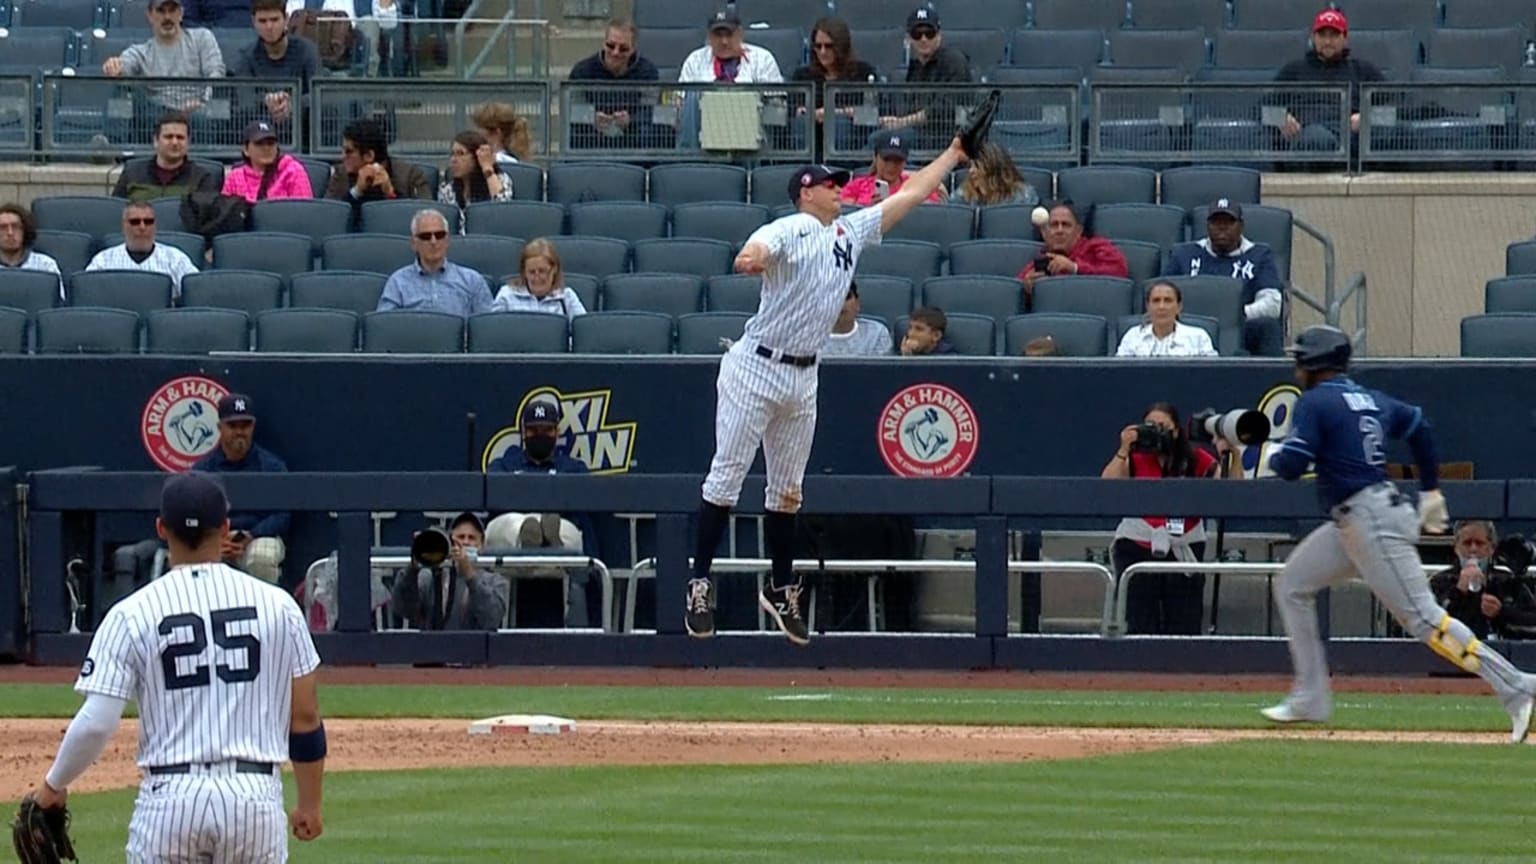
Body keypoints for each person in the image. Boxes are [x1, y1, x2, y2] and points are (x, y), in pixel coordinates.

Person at [685, 134, 970, 646]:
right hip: (755, 366)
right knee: (726, 479)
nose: (838, 188)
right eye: (827, 184)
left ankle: (780, 587)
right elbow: (759, 246)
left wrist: (953, 154)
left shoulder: (848, 231)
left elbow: (909, 195)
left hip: (803, 373)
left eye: (840, 183)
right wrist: (750, 258)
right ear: (805, 192)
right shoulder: (793, 226)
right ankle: (699, 582)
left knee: (787, 492)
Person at [25, 472, 325, 860]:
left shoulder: (132, 613)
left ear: (161, 529)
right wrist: (309, 805)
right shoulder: (279, 606)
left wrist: (54, 785)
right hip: (254, 800)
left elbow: (97, 721)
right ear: (225, 529)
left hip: (170, 801)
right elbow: (305, 717)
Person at [1261, 325, 1536, 740]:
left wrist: (1274, 452)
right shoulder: (1368, 398)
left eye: (1300, 359)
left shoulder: (1315, 401)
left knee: (1425, 619)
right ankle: (1310, 696)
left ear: (1313, 362)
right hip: (1357, 517)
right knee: (1292, 586)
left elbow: (1291, 466)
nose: (1296, 366)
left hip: (1369, 520)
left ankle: (1516, 686)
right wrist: (1430, 491)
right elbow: (1419, 426)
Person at [1101, 402, 1230, 635]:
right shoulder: (1135, 458)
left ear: (1176, 430)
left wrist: (1231, 455)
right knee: (1140, 622)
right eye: (1150, 426)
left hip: (1184, 546)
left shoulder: (1195, 458)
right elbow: (1107, 486)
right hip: (1138, 547)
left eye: (1162, 426)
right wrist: (1124, 449)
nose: (1157, 432)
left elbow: (1232, 490)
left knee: (1184, 623)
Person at [484, 398, 599, 628]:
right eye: (534, 430)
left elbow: (583, 518)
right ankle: (535, 541)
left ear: (557, 432)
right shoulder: (503, 465)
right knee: (515, 524)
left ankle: (548, 544)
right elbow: (494, 505)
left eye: (547, 430)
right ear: (523, 432)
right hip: (513, 533)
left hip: (558, 527)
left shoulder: (573, 468)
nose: (540, 435)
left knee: (562, 527)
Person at [190, 393, 291, 585]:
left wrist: (251, 535)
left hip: (258, 537)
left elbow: (282, 515)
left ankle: (264, 605)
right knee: (194, 556)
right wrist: (214, 540)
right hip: (216, 538)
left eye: (245, 425)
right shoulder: (203, 469)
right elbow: (193, 516)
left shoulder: (271, 466)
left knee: (262, 556)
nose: (239, 432)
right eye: (232, 425)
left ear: (253, 426)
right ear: (220, 427)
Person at [1164, 199, 1285, 356]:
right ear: (1207, 226)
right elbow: (1160, 292)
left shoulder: (1259, 255)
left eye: (1229, 222)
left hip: (1241, 327)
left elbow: (1272, 304)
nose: (1222, 227)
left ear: (1241, 226)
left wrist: (1237, 314)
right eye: (1216, 222)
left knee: (1268, 326)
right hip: (1188, 325)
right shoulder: (1184, 254)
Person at [1273, 8, 1383, 154]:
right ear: (1313, 38)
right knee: (1317, 138)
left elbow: (1398, 107)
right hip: (1308, 139)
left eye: (1334, 35)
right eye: (1322, 35)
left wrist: (1368, 117)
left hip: (1351, 140)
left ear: (1345, 38)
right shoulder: (1293, 70)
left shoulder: (1363, 70)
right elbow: (1261, 110)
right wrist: (1281, 118)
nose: (1327, 41)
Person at [101, 0, 225, 117]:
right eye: (161, 11)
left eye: (172, 10)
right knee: (120, 92)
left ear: (181, 14)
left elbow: (216, 72)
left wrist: (204, 101)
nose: (167, 17)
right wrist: (115, 67)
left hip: (198, 114)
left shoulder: (202, 38)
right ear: (150, 15)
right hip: (157, 117)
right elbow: (125, 65)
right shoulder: (140, 52)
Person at [389, 513, 509, 630]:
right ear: (451, 543)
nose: (466, 542)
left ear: (482, 545)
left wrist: (469, 574)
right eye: (461, 537)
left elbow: (492, 619)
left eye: (471, 538)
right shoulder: (429, 577)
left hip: (476, 643)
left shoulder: (496, 581)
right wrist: (412, 568)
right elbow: (403, 609)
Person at [880, 7, 971, 149]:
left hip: (947, 138)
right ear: (908, 38)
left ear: (939, 35)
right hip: (918, 134)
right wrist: (893, 121)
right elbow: (909, 109)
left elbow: (944, 109)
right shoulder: (916, 68)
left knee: (882, 140)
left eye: (929, 33)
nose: (923, 39)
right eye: (917, 34)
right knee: (880, 139)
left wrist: (902, 122)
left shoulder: (954, 60)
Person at [1429, 521, 1536, 642]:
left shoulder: (1507, 582)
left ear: (1491, 548)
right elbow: (1428, 623)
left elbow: (1532, 623)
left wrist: (1501, 613)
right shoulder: (1441, 581)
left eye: (1479, 543)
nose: (1473, 549)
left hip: (1498, 650)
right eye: (1467, 543)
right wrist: (1458, 593)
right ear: (1456, 548)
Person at [566, 19, 662, 150]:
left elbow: (650, 110)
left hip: (633, 140)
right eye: (610, 45)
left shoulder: (647, 71)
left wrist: (630, 120)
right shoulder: (582, 71)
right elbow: (572, 108)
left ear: (633, 49)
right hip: (591, 139)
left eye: (623, 49)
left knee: (651, 130)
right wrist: (591, 118)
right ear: (603, 43)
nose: (615, 53)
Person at [378, 209, 494, 317]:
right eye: (425, 236)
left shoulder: (472, 281)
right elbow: (385, 324)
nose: (433, 242)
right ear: (414, 244)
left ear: (447, 240)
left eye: (439, 235)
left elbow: (486, 325)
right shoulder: (397, 282)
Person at [791, 17, 878, 161]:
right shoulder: (802, 75)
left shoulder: (863, 73)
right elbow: (792, 111)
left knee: (839, 122)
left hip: (851, 142)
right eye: (818, 46)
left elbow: (875, 113)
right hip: (813, 141)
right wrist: (810, 113)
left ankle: (839, 166)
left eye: (829, 46)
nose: (823, 52)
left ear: (841, 46)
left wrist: (836, 113)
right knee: (803, 122)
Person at [324, 117, 431, 229]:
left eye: (349, 152)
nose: (342, 157)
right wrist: (355, 192)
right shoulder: (340, 174)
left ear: (369, 155)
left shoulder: (411, 176)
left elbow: (427, 218)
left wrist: (391, 194)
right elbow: (328, 217)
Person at [1015, 201, 1129, 304]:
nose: (1059, 231)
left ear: (1078, 231)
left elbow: (1119, 271)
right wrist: (1026, 289)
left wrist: (1074, 268)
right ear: (1044, 233)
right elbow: (1016, 290)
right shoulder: (1039, 261)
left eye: (1066, 225)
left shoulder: (1095, 247)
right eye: (1054, 225)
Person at [230, 0, 320, 129]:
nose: (269, 27)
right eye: (262, 21)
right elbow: (244, 99)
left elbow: (319, 94)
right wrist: (266, 100)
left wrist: (293, 103)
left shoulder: (307, 50)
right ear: (253, 21)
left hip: (303, 129)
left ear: (286, 19)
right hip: (260, 131)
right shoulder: (246, 56)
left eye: (274, 20)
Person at [85, 201, 200, 299]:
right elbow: (87, 294)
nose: (142, 227)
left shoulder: (175, 258)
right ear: (124, 226)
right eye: (135, 222)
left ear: (155, 226)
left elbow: (196, 292)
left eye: (148, 222)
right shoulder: (103, 261)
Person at [112, 111, 220, 203]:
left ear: (188, 142)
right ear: (156, 141)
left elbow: (206, 217)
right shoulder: (132, 172)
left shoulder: (202, 178)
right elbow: (115, 210)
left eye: (180, 137)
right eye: (168, 137)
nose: (174, 142)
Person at [490, 238, 587, 320]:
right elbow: (493, 330)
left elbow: (582, 331)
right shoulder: (507, 295)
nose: (537, 277)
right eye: (532, 272)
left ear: (554, 269)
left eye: (542, 271)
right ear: (524, 272)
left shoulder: (567, 298)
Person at [841, 131, 946, 207]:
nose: (891, 166)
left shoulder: (916, 185)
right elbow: (844, 215)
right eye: (886, 160)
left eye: (897, 161)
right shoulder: (857, 186)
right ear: (875, 157)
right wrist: (868, 209)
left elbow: (931, 210)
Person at [1116, 280, 1219, 358]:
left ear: (1179, 307)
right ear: (1147, 307)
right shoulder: (1132, 337)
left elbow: (1212, 374)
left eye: (1168, 300)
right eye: (1156, 301)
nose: (1161, 307)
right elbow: (1119, 373)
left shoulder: (1199, 338)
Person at [679, 9, 784, 84]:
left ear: (740, 35)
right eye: (718, 35)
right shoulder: (695, 60)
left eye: (729, 35)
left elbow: (776, 102)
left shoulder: (763, 59)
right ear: (709, 37)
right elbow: (679, 101)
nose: (724, 41)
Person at [437, 130, 514, 230]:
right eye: (452, 154)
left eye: (460, 154)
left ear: (477, 157)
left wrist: (487, 169)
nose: (453, 160)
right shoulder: (447, 189)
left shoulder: (500, 179)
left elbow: (502, 208)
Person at [221, 121, 314, 203]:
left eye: (271, 143)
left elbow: (304, 211)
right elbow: (225, 212)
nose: (266, 148)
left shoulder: (293, 171)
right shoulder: (234, 177)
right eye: (259, 143)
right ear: (246, 150)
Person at [0, 203, 63, 299]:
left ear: (25, 230)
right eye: (3, 228)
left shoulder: (45, 265)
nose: (10, 233)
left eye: (15, 227)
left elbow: (58, 302)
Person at [953, 142, 1038, 207]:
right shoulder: (963, 195)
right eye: (970, 166)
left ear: (992, 169)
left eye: (977, 166)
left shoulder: (1022, 196)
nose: (971, 171)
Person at [822, 281, 893, 356]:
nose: (840, 303)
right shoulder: (812, 337)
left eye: (846, 297)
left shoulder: (877, 333)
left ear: (857, 303)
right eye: (831, 299)